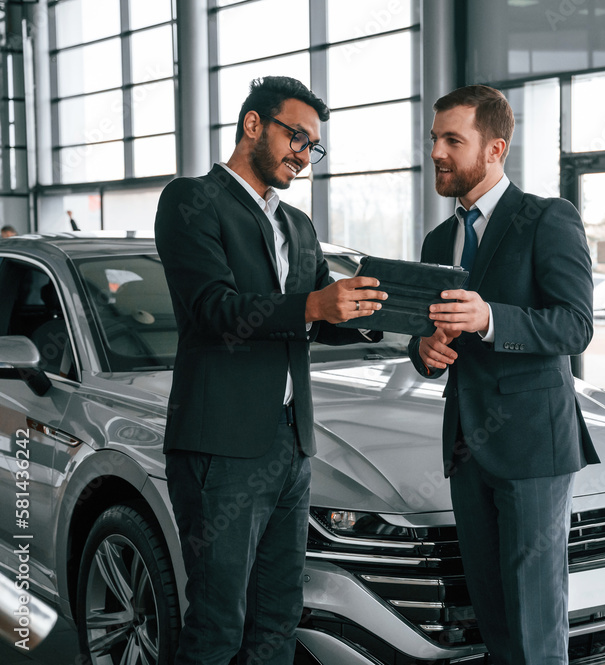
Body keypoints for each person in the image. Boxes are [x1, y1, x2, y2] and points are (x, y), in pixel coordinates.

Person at [154, 76, 387, 665]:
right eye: (296, 137)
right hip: (222, 446)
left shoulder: (298, 227)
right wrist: (313, 305)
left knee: (278, 620)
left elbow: (321, 313)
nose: (303, 155)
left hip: (291, 445)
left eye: (313, 146)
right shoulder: (191, 200)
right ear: (253, 124)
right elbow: (213, 310)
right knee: (216, 626)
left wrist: (373, 309)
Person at [408, 85, 599, 665]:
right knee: (493, 618)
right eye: (434, 139)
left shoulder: (547, 219)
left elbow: (575, 325)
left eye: (452, 140)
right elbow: (431, 340)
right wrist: (425, 349)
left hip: (533, 450)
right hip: (467, 449)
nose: (436, 152)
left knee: (536, 625)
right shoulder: (439, 240)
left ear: (495, 148)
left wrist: (491, 318)